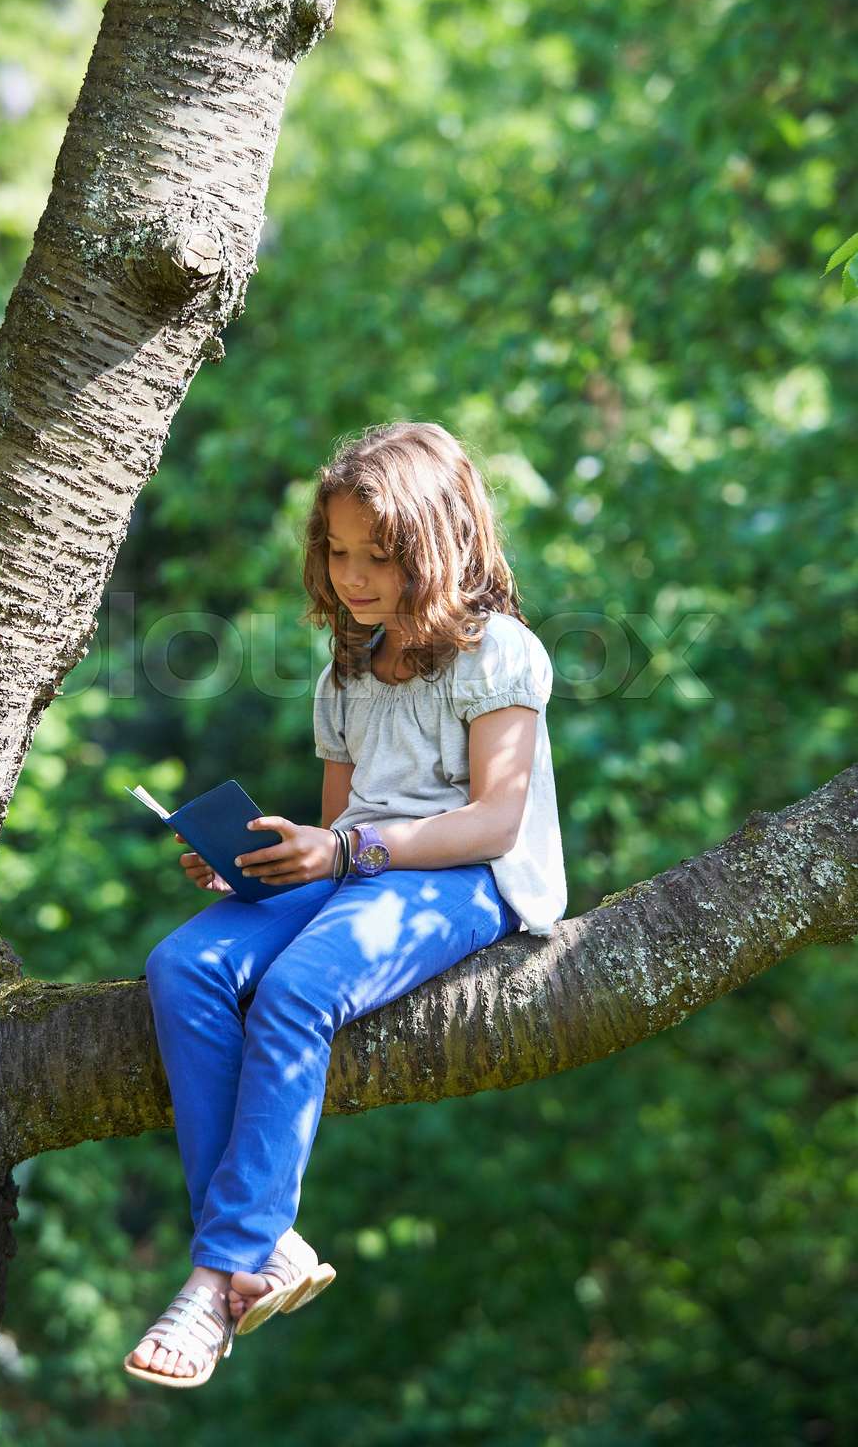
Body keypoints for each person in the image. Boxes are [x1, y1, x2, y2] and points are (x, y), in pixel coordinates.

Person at [124, 420, 568, 1388]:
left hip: (462, 884)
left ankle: (215, 1277)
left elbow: (493, 820)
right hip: (362, 870)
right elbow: (337, 830)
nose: (354, 574)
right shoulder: (346, 672)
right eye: (338, 550)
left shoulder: (499, 654)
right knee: (185, 966)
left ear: (435, 546)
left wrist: (347, 849)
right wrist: (256, 868)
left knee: (293, 991)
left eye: (379, 554)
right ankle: (267, 1242)